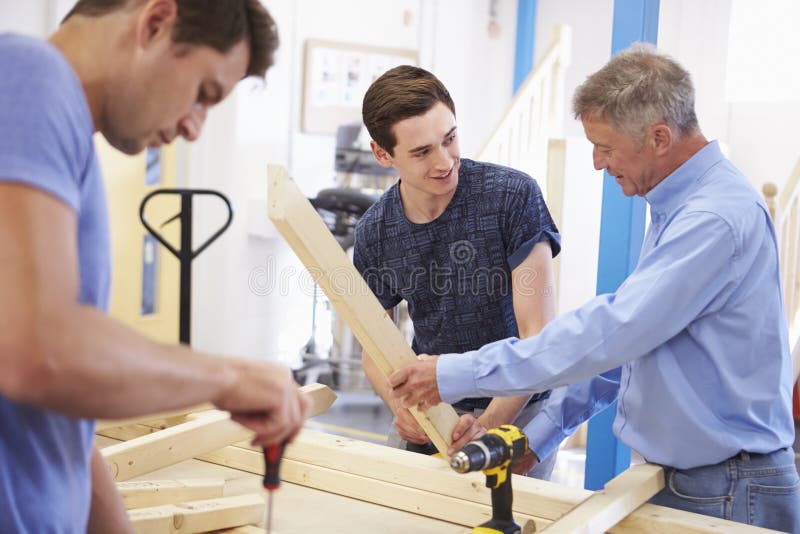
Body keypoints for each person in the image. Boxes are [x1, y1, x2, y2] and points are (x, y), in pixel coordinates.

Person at [389, 45, 800, 532]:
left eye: (605, 146)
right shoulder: (680, 207)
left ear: (659, 138)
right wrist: (535, 436)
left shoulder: (713, 219)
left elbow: (613, 331)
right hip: (695, 478)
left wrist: (456, 373)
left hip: (726, 487)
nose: (596, 163)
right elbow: (632, 353)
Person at [0, 1, 309, 532]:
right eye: (204, 95)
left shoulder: (67, 143)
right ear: (156, 22)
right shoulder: (29, 77)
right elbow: (36, 352)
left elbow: (62, 420)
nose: (194, 128)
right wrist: (229, 376)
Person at [354, 65, 562, 479]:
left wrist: (487, 425)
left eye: (450, 139)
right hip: (432, 406)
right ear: (383, 154)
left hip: (519, 401)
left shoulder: (512, 197)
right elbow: (373, 348)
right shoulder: (375, 230)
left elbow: (537, 334)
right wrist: (402, 409)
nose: (445, 161)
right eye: (421, 152)